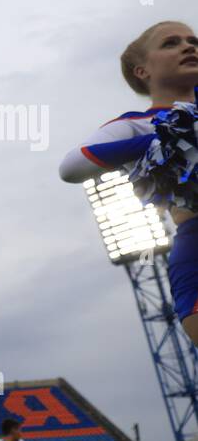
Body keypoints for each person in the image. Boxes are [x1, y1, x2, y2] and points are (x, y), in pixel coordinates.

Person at [59, 21, 198, 344]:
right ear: (142, 71)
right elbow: (71, 166)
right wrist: (161, 141)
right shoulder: (138, 125)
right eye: (171, 43)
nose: (189, 47)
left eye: (194, 41)